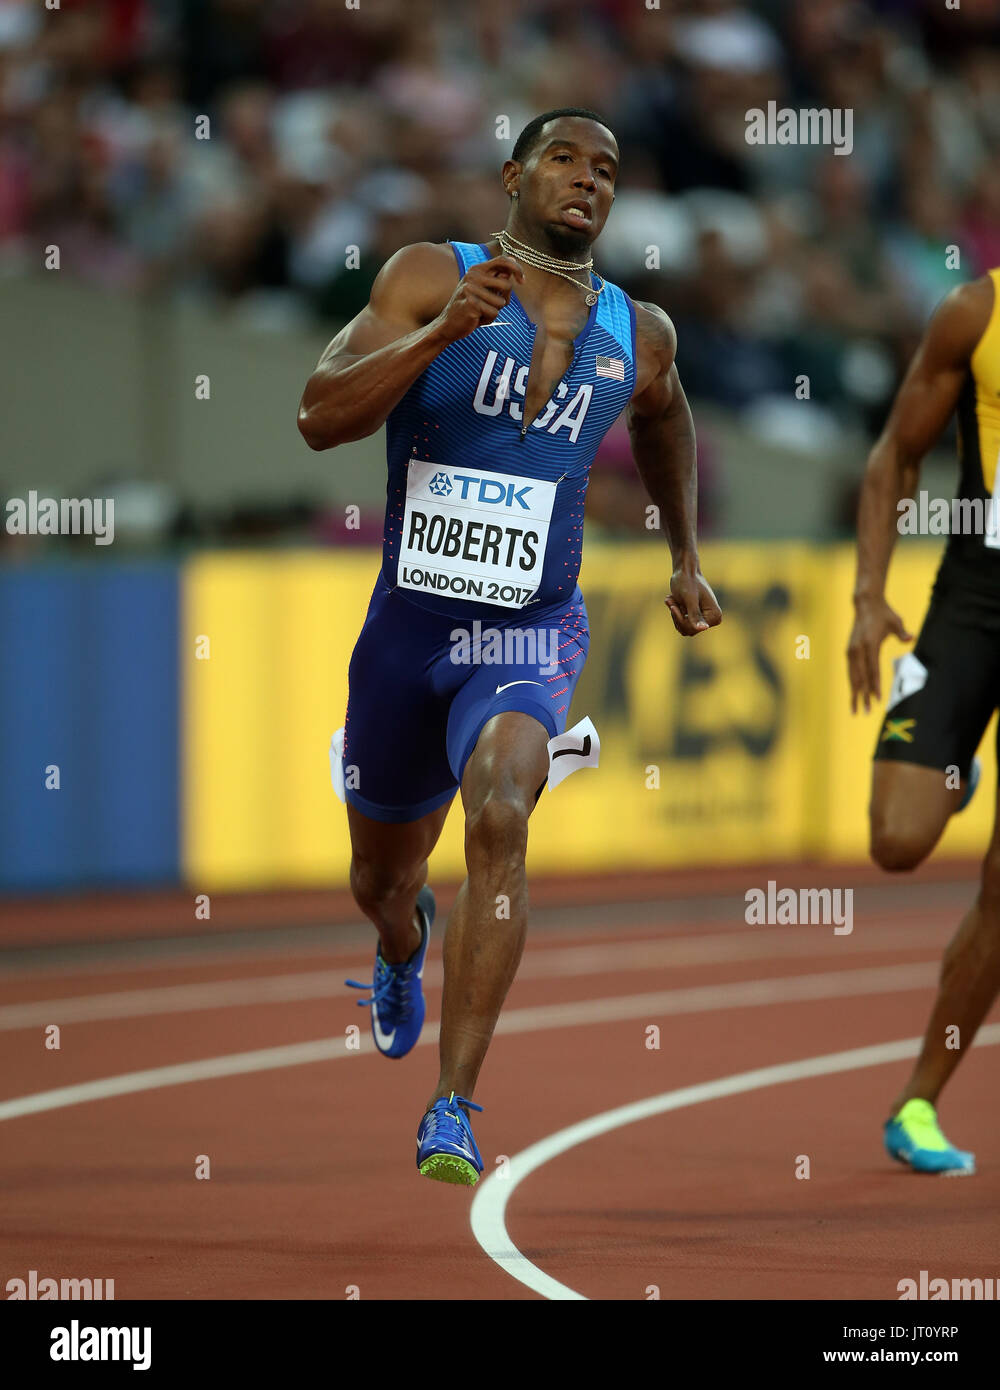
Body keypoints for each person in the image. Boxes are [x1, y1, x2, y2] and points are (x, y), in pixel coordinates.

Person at [297, 108, 721, 1185]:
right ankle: (401, 946)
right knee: (378, 880)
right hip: (407, 633)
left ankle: (453, 1105)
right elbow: (317, 415)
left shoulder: (641, 331)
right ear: (514, 175)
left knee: (501, 811)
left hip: (529, 630)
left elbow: (666, 418)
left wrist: (683, 553)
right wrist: (438, 335)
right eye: (566, 160)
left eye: (608, 170)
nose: (588, 181)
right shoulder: (433, 272)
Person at [847, 266, 1000, 1175]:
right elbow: (896, 453)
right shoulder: (980, 311)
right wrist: (870, 597)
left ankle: (918, 1100)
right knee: (896, 842)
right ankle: (958, 770)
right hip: (977, 598)